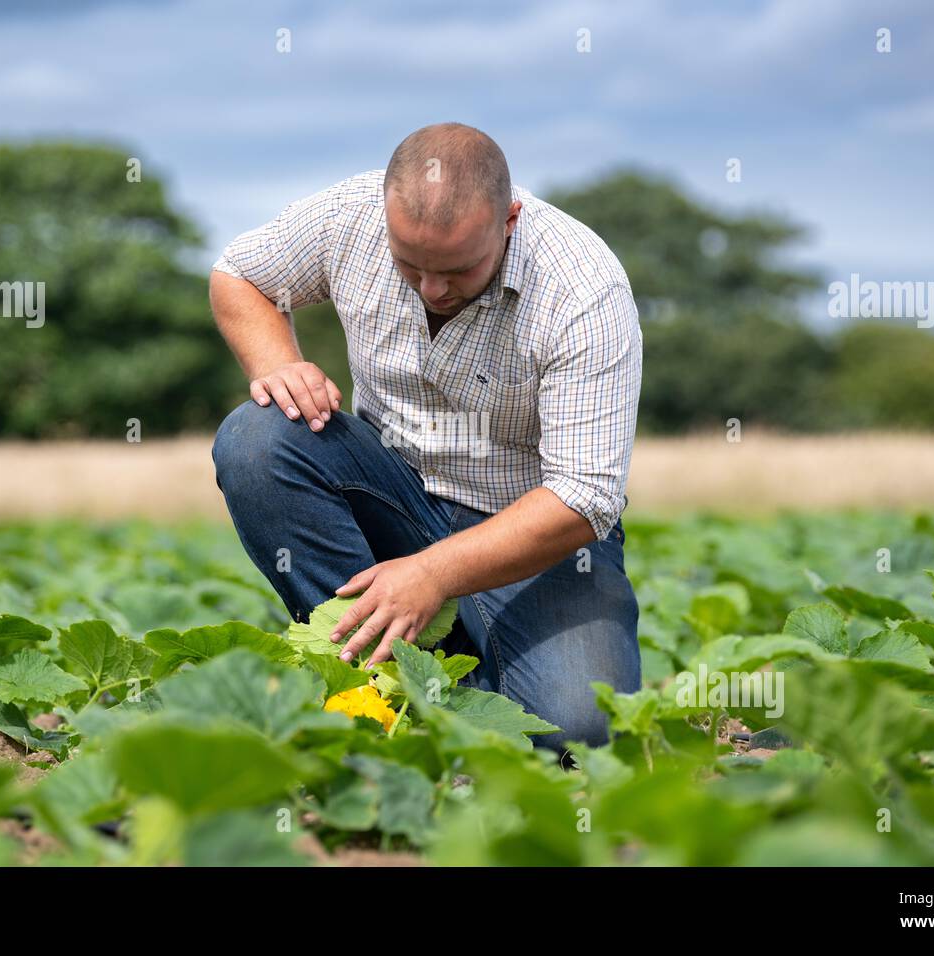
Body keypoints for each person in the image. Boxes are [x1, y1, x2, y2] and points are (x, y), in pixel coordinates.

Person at [208, 122, 642, 755]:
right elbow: (239, 273)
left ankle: (457, 658)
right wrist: (277, 364)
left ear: (509, 221)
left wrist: (435, 573)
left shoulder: (582, 289)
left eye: (459, 269)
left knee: (576, 736)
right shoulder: (349, 215)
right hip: (395, 494)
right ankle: (366, 681)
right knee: (259, 437)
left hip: (533, 536)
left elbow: (585, 495)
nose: (433, 289)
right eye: (409, 265)